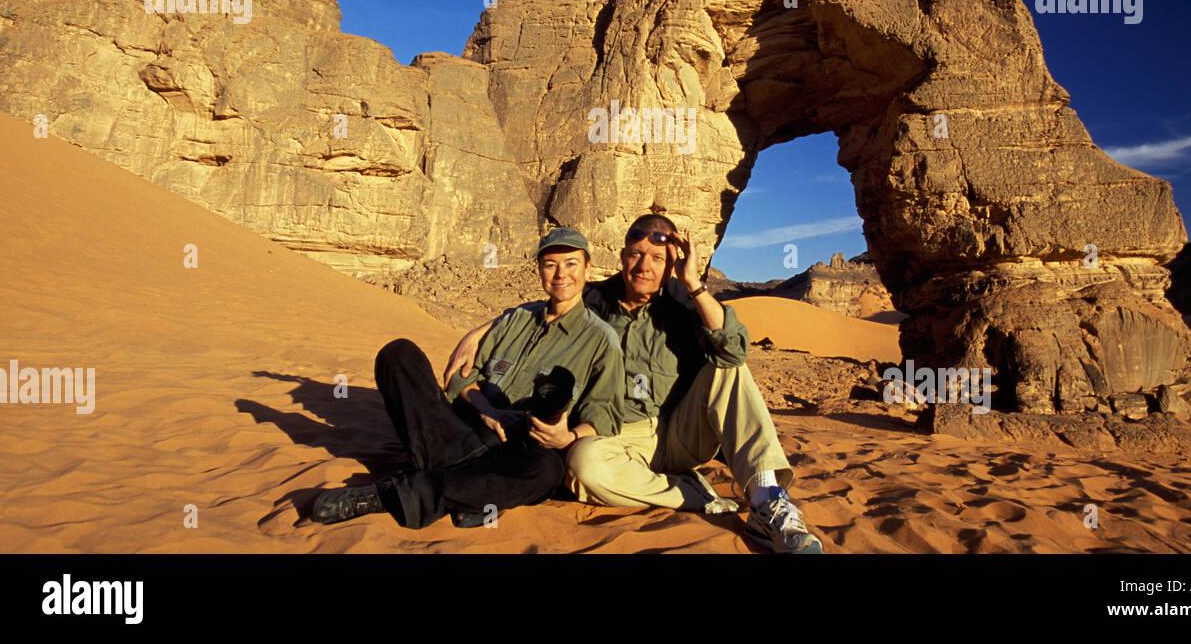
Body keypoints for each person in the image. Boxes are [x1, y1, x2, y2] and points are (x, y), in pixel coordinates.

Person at [446, 213, 823, 553]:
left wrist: (692, 282)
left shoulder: (684, 304)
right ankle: (689, 493)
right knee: (582, 467)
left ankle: (765, 498)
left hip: (676, 433)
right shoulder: (594, 300)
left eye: (657, 258)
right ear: (623, 255)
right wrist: (485, 329)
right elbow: (545, 308)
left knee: (729, 368)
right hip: (608, 434)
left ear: (671, 263)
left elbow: (736, 347)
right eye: (636, 254)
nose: (644, 266)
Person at [311, 227, 623, 530]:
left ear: (588, 268)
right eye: (550, 264)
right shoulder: (515, 320)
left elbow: (604, 413)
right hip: (465, 427)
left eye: (571, 264)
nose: (560, 274)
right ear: (539, 270)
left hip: (518, 449)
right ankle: (473, 493)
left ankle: (392, 494)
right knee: (398, 355)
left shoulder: (601, 340)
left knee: (545, 473)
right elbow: (463, 378)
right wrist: (489, 412)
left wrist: (567, 438)